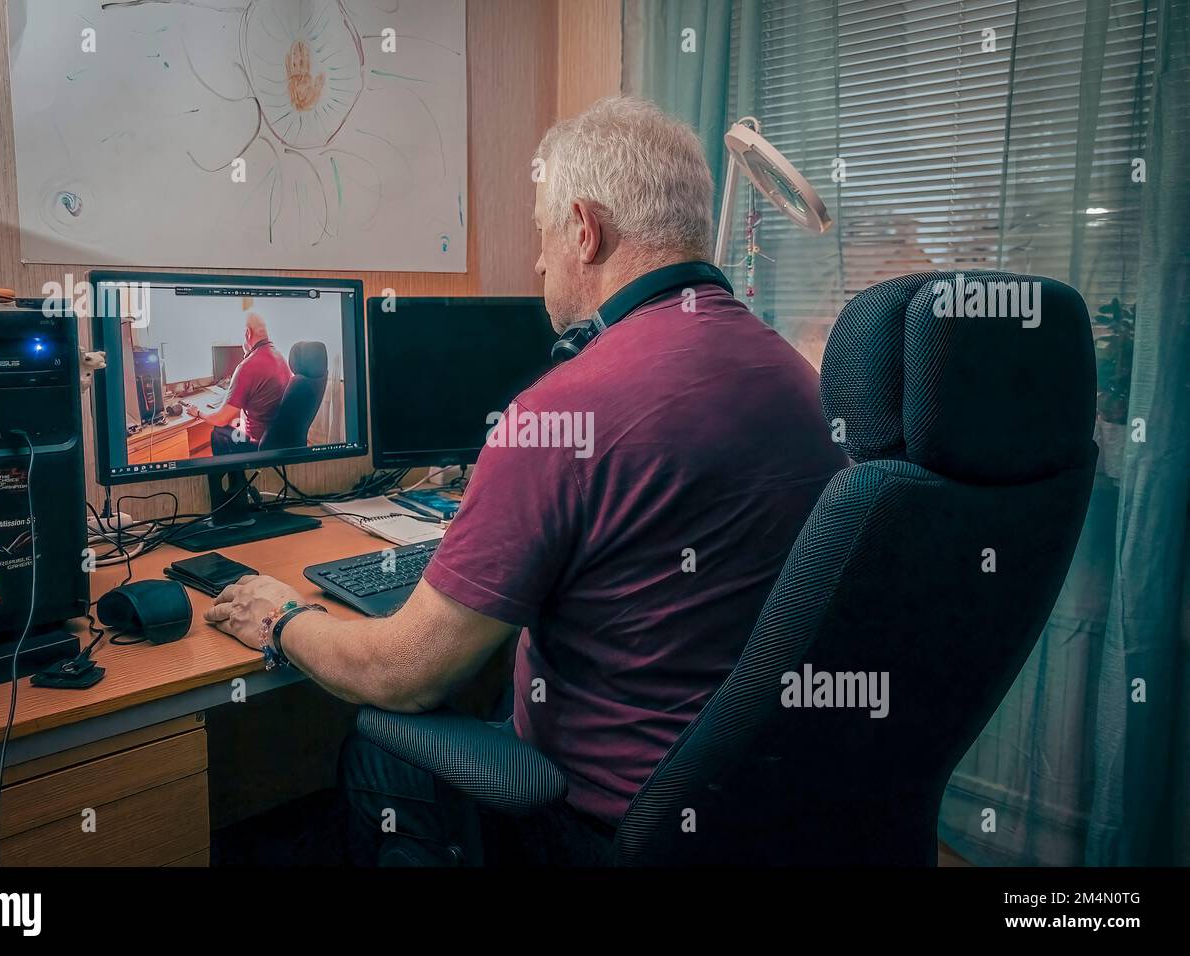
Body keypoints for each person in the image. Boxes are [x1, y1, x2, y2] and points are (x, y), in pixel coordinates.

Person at [204, 96, 847, 864]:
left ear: (584, 228)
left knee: (379, 751)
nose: (539, 262)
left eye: (542, 236)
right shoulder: (798, 379)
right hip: (771, 807)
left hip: (609, 823)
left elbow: (404, 674)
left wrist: (281, 617)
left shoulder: (564, 409)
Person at [189, 313, 291, 454]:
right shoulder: (280, 357)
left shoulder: (248, 365)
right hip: (279, 436)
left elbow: (220, 420)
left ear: (248, 333)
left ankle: (235, 475)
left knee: (218, 431)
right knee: (234, 421)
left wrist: (199, 413)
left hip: (256, 442)